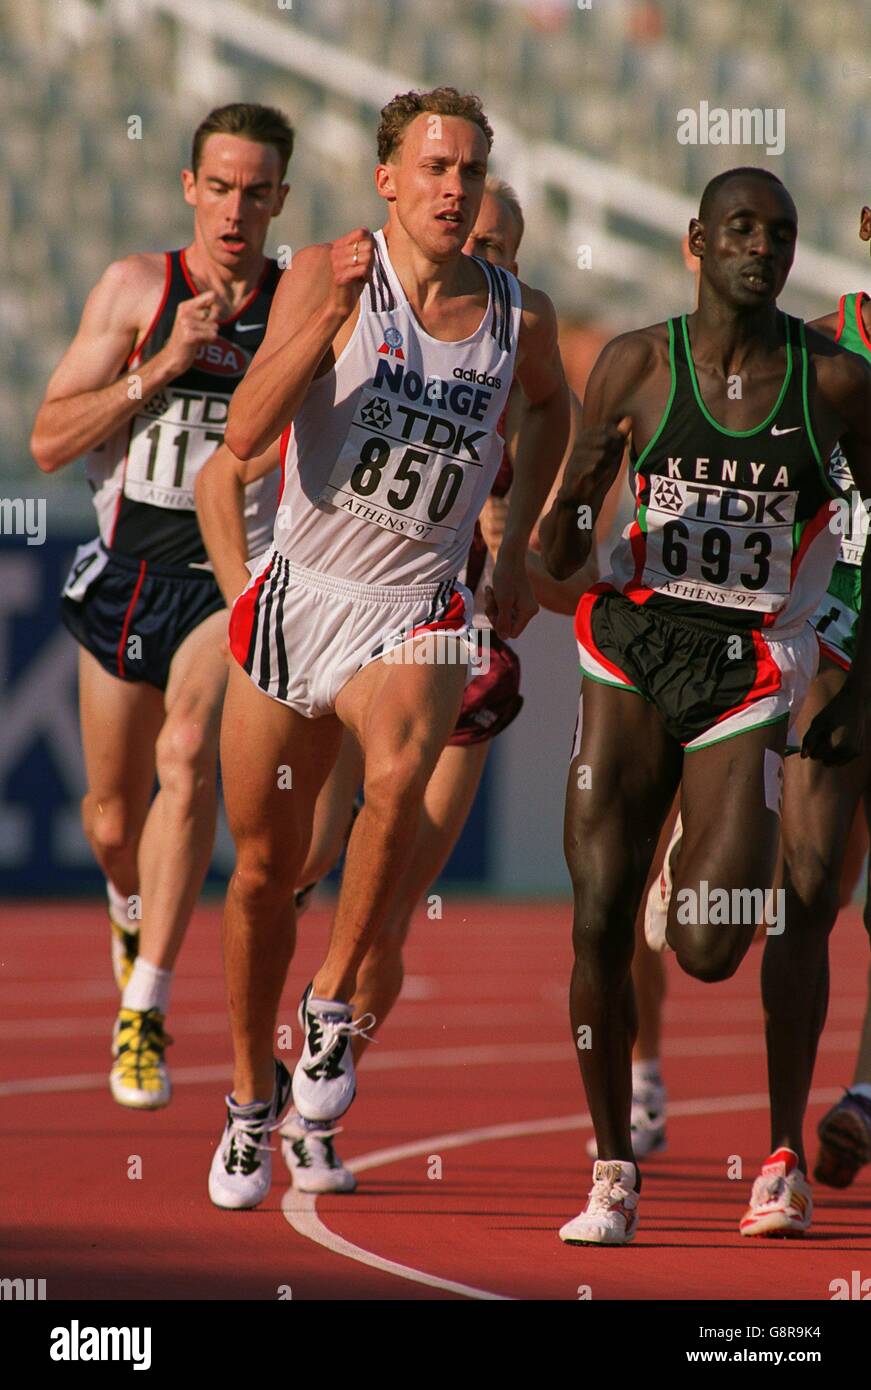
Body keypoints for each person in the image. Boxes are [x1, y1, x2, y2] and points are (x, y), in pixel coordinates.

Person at [205, 87, 570, 1211]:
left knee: (403, 773)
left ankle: (328, 1007)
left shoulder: (520, 312)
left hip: (414, 606)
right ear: (389, 181)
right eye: (435, 168)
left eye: (469, 169)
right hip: (300, 596)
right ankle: (245, 1102)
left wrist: (520, 553)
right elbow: (244, 434)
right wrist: (320, 322)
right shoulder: (326, 272)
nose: (454, 188)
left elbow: (551, 410)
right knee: (265, 872)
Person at [539, 166, 871, 1246]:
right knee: (593, 904)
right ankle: (610, 1168)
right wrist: (553, 530)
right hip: (634, 645)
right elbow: (562, 534)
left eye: (779, 235)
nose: (761, 250)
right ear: (694, 241)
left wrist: (847, 660)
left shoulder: (833, 385)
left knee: (712, 944)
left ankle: (691, 855)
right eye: (740, 230)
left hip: (752, 661)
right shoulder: (636, 363)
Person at [30, 103, 292, 1109]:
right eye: (219, 187)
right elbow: (51, 440)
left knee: (187, 755)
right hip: (127, 570)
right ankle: (129, 909)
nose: (235, 209)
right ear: (190, 187)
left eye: (255, 191)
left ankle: (143, 1005)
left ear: (279, 199)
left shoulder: (297, 306)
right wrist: (162, 366)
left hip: (227, 582)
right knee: (108, 820)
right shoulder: (139, 288)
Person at [751, 215, 871, 1226]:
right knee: (805, 887)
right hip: (830, 645)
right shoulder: (813, 355)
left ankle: (864, 1097)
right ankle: (783, 1146)